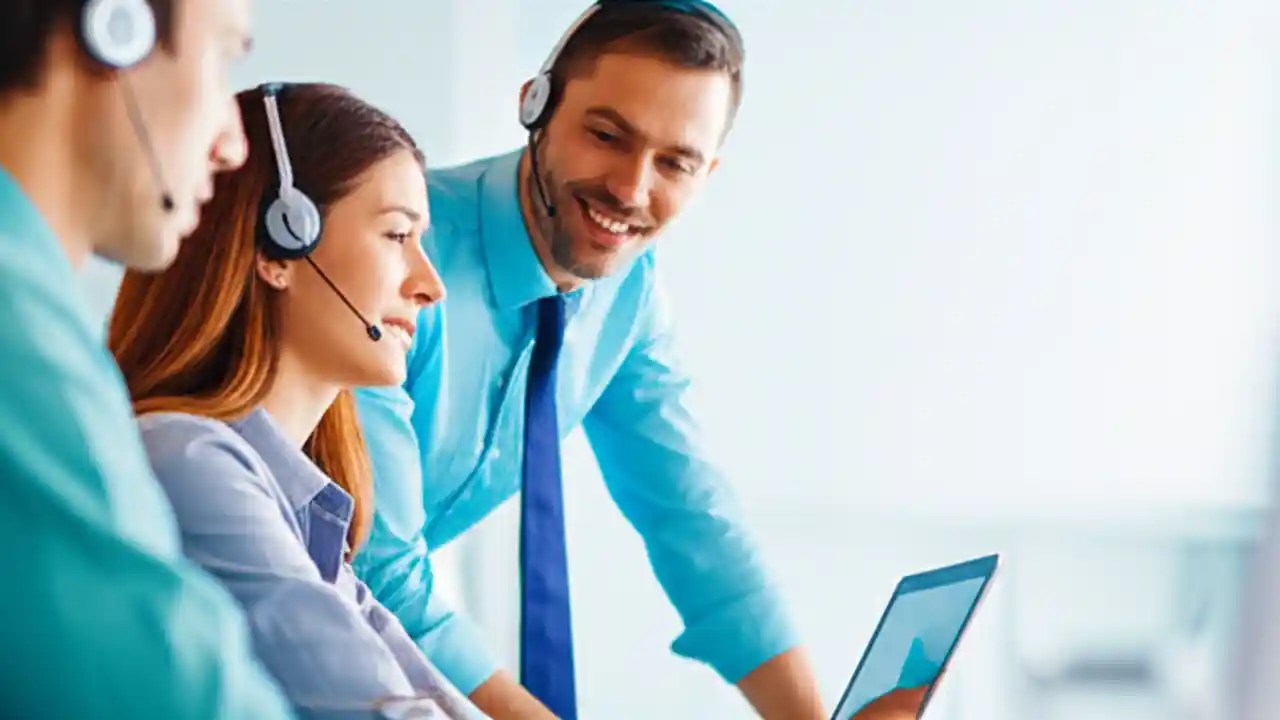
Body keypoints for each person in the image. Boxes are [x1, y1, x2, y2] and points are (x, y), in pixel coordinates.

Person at [353, 2, 825, 718]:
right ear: (535, 104)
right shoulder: (402, 250)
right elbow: (378, 567)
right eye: (607, 135)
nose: (631, 190)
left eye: (675, 163)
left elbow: (692, 518)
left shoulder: (628, 293)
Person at [107, 82, 488, 720]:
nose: (430, 285)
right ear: (282, 244)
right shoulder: (189, 458)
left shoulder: (307, 513)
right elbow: (382, 712)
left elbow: (428, 699)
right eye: (397, 236)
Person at [0, 0, 297, 716]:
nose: (233, 145)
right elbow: (179, 691)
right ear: (116, 26)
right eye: (221, 56)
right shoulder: (20, 337)